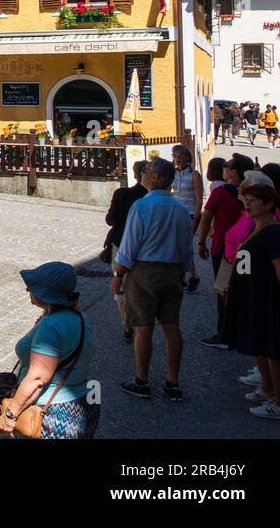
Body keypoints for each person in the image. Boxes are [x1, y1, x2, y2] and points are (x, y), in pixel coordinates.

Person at [112, 157, 193, 402]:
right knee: (171, 326)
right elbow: (186, 246)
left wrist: (119, 274)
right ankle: (172, 382)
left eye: (148, 171)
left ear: (158, 178)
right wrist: (184, 272)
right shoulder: (180, 209)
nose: (144, 174)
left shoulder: (142, 207)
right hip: (172, 271)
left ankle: (142, 380)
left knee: (143, 327)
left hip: (144, 271)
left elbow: (130, 245)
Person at [0, 262, 99, 439]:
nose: (28, 289)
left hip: (54, 414)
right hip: (82, 405)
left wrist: (10, 415)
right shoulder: (80, 318)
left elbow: (38, 378)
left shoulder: (51, 326)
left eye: (33, 286)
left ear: (47, 294)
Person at [223, 172, 280, 420]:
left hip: (266, 298)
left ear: (269, 204)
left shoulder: (273, 231)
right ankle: (268, 389)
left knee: (274, 350)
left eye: (253, 200)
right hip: (252, 296)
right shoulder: (257, 226)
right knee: (260, 346)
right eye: (247, 200)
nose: (247, 204)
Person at [196, 154, 252, 350]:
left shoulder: (219, 193)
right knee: (243, 288)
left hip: (224, 248)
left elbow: (206, 219)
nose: (224, 168)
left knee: (224, 289)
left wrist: (201, 242)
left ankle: (225, 335)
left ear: (233, 172)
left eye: (227, 165)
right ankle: (243, 330)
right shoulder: (252, 191)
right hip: (247, 249)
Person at [103, 160, 149, 342]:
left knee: (119, 287)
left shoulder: (122, 193)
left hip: (120, 244)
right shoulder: (151, 197)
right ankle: (139, 321)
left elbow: (110, 220)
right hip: (144, 247)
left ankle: (126, 324)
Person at [170, 144, 203, 292]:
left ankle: (192, 276)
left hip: (190, 212)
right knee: (177, 245)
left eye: (179, 156)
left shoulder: (194, 174)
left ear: (187, 158)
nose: (176, 159)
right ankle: (182, 277)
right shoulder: (173, 174)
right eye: (174, 156)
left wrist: (196, 216)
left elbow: (199, 198)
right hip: (176, 211)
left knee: (185, 244)